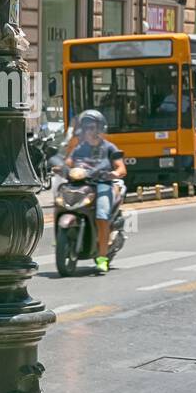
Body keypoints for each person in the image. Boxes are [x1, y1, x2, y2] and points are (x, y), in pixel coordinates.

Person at [65, 109, 126, 273]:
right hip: (82, 184)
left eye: (92, 127)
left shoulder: (109, 147)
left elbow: (121, 168)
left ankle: (102, 258)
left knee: (101, 215)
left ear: (100, 129)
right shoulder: (80, 148)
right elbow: (69, 161)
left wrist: (114, 173)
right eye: (86, 128)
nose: (89, 131)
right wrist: (60, 166)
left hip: (102, 184)